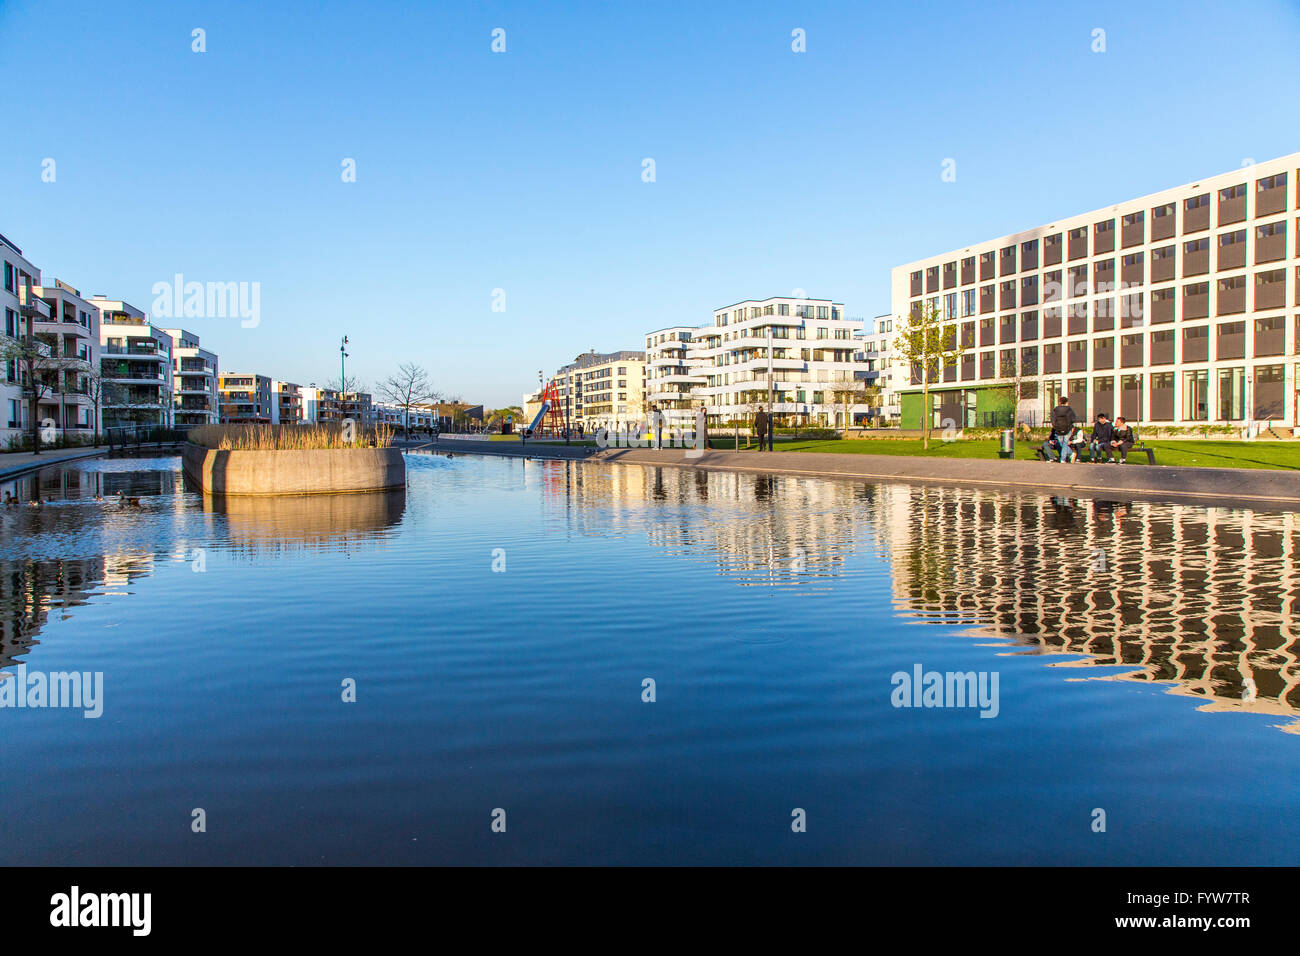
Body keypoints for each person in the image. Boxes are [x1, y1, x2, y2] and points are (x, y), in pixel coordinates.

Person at [1048, 395, 1078, 463]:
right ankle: (1067, 456)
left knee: (1061, 443)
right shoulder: (1069, 409)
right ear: (1066, 402)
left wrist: (1055, 426)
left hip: (1058, 429)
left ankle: (1065, 456)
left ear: (1059, 402)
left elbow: (1052, 419)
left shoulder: (1055, 410)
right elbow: (1073, 419)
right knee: (1065, 443)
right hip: (1067, 428)